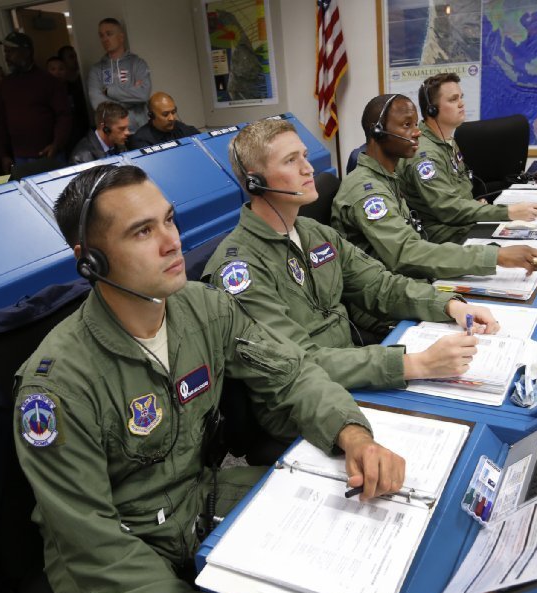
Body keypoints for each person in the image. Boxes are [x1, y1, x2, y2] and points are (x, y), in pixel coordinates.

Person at [13, 163, 403, 593]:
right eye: (142, 231)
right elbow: (89, 538)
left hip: (195, 500)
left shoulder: (204, 308)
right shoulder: (56, 385)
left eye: (169, 220)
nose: (172, 241)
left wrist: (353, 435)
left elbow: (291, 373)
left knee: (345, 576)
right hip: (111, 553)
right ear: (89, 260)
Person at [202, 119, 498, 448]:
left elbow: (382, 285)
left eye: (304, 155)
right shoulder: (238, 270)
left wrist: (449, 305)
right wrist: (413, 364)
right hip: (301, 410)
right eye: (290, 161)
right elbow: (299, 363)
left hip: (355, 376)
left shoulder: (316, 233)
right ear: (256, 182)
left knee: (469, 419)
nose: (307, 168)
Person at [332, 94, 537, 281]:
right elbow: (407, 254)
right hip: (384, 298)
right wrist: (496, 257)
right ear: (377, 132)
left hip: (408, 280)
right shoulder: (368, 192)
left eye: (416, 124)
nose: (417, 133)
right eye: (406, 125)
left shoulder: (389, 176)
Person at [397, 73, 537, 244]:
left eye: (461, 97)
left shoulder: (447, 141)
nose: (461, 104)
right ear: (432, 110)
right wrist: (507, 212)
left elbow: (460, 186)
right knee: (523, 246)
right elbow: (448, 209)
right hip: (443, 237)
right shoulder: (425, 156)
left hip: (462, 223)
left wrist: (474, 205)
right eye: (453, 99)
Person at [0, 32, 72, 173]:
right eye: (6, 52)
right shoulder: (6, 84)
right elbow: (1, 122)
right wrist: (3, 155)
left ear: (26, 52)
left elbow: (64, 116)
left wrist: (56, 144)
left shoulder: (48, 81)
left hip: (49, 154)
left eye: (11, 51)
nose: (7, 57)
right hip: (20, 157)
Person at [87, 18, 152, 132]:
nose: (105, 39)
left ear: (121, 37)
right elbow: (98, 105)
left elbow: (143, 94)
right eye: (101, 35)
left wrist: (109, 92)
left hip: (141, 130)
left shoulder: (137, 63)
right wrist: (131, 100)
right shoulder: (96, 70)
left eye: (109, 34)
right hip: (113, 134)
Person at [127, 92, 200, 149]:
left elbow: (202, 140)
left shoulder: (180, 127)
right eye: (165, 114)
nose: (171, 118)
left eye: (173, 112)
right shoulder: (141, 139)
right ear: (151, 116)